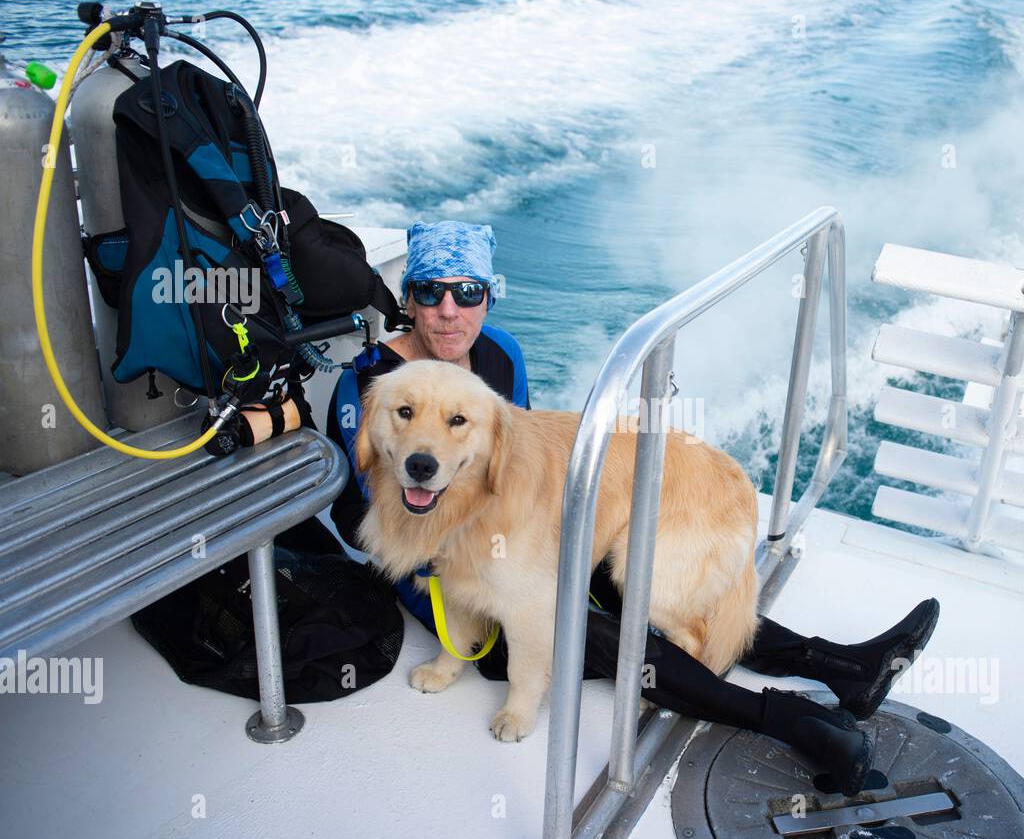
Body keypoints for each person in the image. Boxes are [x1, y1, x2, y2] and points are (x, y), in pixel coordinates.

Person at [325, 220, 940, 796]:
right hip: (430, 568)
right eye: (431, 292)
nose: (450, 309)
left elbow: (522, 455)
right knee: (582, 624)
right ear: (408, 298)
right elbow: (362, 510)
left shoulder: (499, 353)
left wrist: (556, 540)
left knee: (636, 589)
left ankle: (840, 665)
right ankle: (789, 719)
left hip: (509, 535)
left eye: (468, 291)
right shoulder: (372, 380)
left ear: (488, 298)